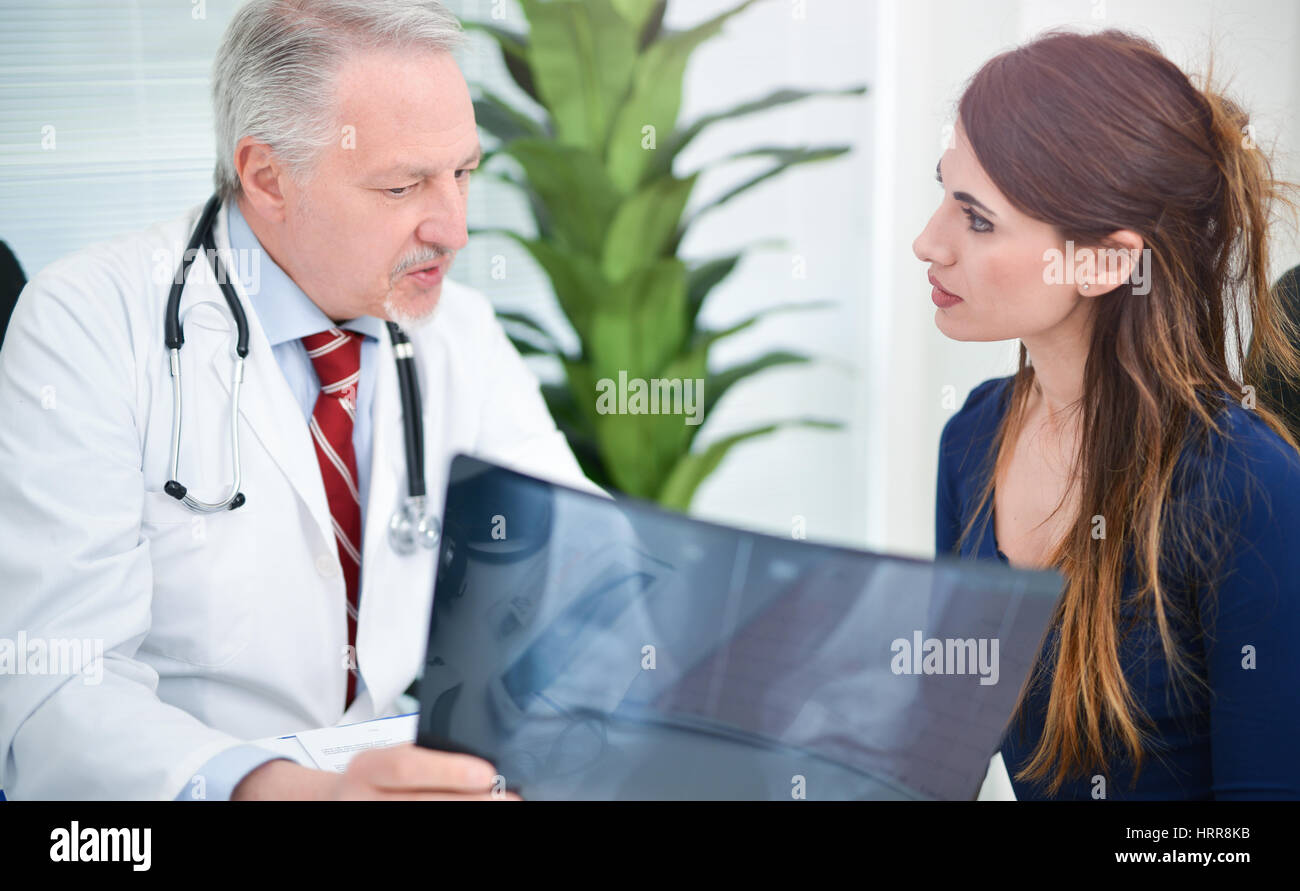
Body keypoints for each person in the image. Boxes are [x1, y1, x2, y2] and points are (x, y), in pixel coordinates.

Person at [0, 0, 603, 800]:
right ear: (268, 177)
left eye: (463, 173)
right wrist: (288, 792)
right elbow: (58, 695)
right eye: (403, 185)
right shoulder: (87, 322)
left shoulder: (458, 328)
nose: (456, 229)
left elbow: (585, 571)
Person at [917, 28, 1300, 799]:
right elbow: (940, 752)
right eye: (942, 193)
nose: (928, 242)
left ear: (1103, 261)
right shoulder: (970, 441)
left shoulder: (1249, 487)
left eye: (977, 218)